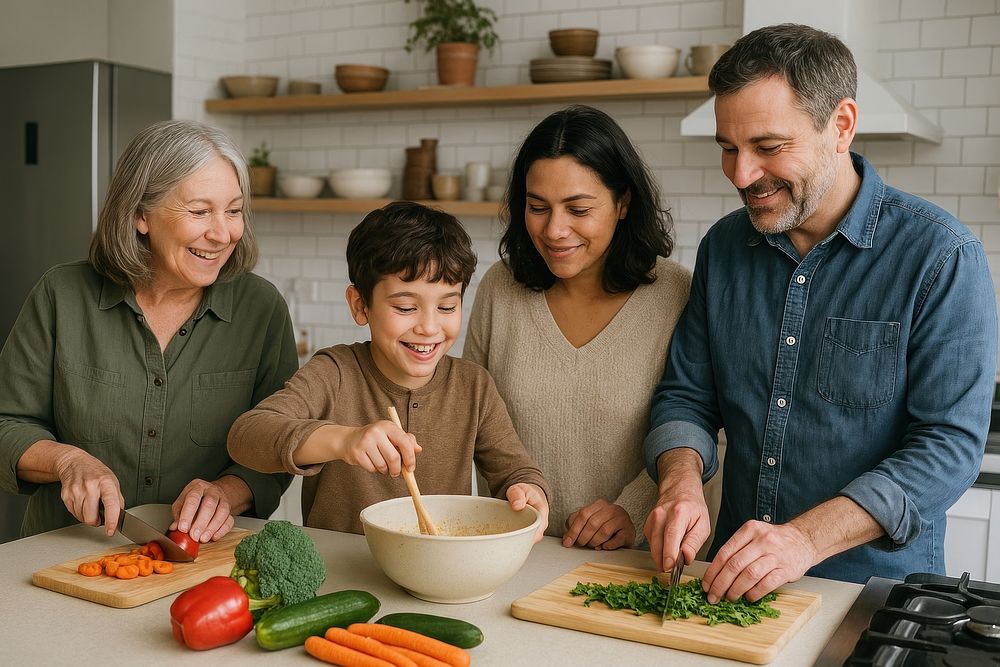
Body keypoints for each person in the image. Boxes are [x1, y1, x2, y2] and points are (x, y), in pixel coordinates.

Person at [643, 23, 997, 602]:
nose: (740, 175)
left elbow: (948, 445)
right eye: (728, 148)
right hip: (733, 589)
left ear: (842, 125)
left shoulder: (941, 257)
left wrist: (803, 541)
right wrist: (679, 481)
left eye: (768, 147)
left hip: (872, 594)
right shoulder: (723, 249)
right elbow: (687, 394)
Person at [0, 120, 298, 541]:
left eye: (233, 211)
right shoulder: (61, 295)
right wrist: (67, 462)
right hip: (63, 552)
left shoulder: (261, 309)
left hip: (202, 562)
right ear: (141, 214)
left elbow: (278, 442)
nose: (223, 233)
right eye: (199, 211)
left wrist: (226, 493)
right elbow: (7, 422)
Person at [227, 201, 551, 538]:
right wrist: (344, 440)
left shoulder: (474, 386)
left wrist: (527, 490)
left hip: (436, 575)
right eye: (406, 307)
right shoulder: (334, 373)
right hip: (342, 574)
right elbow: (246, 436)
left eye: (447, 306)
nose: (429, 326)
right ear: (360, 305)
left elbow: (515, 471)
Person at [463, 105, 691, 550]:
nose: (554, 230)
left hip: (635, 560)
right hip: (514, 553)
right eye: (537, 207)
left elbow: (701, 424)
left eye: (578, 208)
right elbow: (470, 419)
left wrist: (636, 509)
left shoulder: (676, 293)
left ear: (623, 203)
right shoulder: (500, 288)